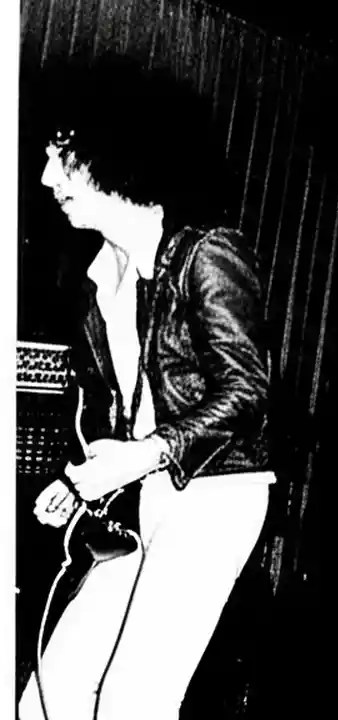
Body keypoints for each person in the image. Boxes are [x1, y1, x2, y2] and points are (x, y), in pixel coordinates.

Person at [18, 55, 275, 720]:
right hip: (141, 497)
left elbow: (247, 390)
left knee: (134, 701)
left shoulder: (206, 254)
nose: (46, 178)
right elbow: (118, 411)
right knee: (48, 695)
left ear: (115, 149)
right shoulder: (100, 279)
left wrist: (142, 455)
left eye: (60, 157)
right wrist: (83, 476)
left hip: (216, 495)